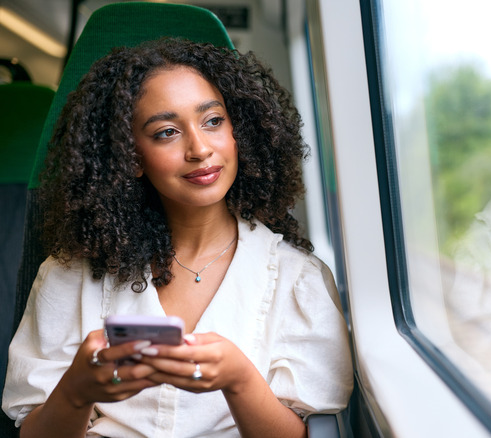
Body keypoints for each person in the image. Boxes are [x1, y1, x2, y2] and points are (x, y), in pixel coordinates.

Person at [2, 38, 353, 437]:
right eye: (167, 132)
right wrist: (76, 391)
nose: (200, 149)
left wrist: (239, 379)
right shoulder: (70, 275)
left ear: (240, 132)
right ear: (130, 157)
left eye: (213, 121)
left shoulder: (299, 279)